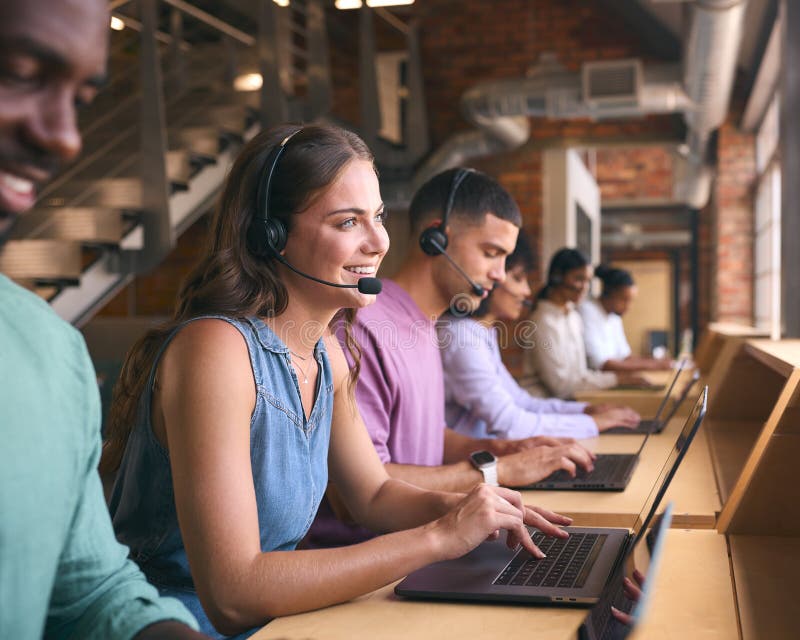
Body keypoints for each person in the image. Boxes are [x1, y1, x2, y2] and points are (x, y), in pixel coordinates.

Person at [100, 127, 573, 639]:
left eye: (378, 217)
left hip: (278, 625)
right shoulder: (216, 350)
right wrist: (439, 537)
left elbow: (374, 494)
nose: (379, 242)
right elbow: (232, 595)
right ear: (271, 235)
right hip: (179, 626)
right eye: (348, 222)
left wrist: (475, 506)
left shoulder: (327, 352)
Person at [0, 0, 204, 637]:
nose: (66, 138)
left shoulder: (50, 350)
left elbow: (91, 592)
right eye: (18, 72)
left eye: (83, 100)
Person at [305, 168, 595, 548]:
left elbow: (425, 438)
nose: (500, 275)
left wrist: (502, 449)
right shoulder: (362, 327)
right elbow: (360, 492)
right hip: (374, 557)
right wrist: (497, 471)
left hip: (425, 539)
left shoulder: (426, 323)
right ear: (435, 239)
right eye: (491, 253)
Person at [438, 233, 640, 441]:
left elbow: (522, 402)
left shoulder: (481, 333)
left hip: (510, 438)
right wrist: (592, 422)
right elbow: (508, 422)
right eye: (518, 278)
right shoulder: (461, 338)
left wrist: (585, 411)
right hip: (492, 449)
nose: (527, 291)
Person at [522, 248, 647, 399]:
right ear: (557, 277)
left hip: (570, 399)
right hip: (542, 403)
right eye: (579, 279)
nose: (584, 287)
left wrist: (621, 379)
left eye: (588, 281)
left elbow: (580, 375)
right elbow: (560, 386)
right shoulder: (543, 322)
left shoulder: (573, 317)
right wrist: (616, 379)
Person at [579, 264, 674, 372]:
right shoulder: (587, 311)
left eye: (630, 301)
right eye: (624, 299)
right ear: (609, 293)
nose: (628, 307)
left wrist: (657, 362)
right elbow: (603, 364)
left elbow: (625, 357)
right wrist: (654, 366)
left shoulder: (614, 317)